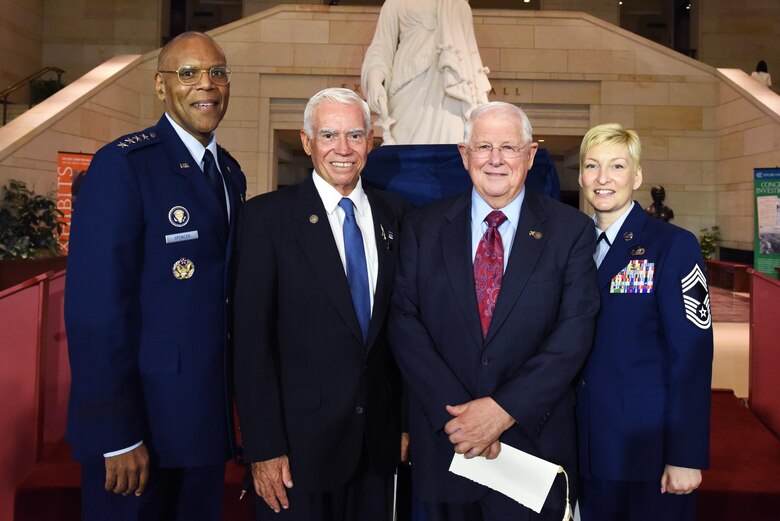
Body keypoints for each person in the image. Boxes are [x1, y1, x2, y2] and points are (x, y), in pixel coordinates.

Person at [64, 31, 246, 520]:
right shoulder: (123, 166)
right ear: (162, 87)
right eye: (188, 74)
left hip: (203, 425)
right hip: (139, 430)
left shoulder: (230, 174)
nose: (205, 85)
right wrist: (116, 433)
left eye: (217, 73)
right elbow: (94, 312)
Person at [389, 101, 600, 520]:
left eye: (509, 146)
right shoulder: (421, 228)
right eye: (483, 146)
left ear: (531, 154)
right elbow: (404, 322)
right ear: (464, 154)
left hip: (530, 449)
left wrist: (500, 412)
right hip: (447, 445)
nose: (496, 159)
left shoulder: (571, 231)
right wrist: (464, 421)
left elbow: (573, 333)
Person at [233, 87, 411, 521]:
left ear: (371, 141)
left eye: (355, 135)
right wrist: (264, 447)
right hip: (296, 452)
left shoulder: (399, 216)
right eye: (329, 135)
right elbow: (251, 345)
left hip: (379, 445)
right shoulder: (266, 219)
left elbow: (406, 330)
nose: (343, 149)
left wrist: (404, 422)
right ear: (307, 141)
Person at [575, 123, 713, 521]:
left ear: (636, 176)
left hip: (647, 453)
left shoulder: (673, 245)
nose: (603, 179)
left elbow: (692, 355)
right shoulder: (572, 244)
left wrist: (685, 454)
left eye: (617, 167)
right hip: (583, 447)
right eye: (592, 166)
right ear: (581, 175)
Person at [361, 0, 491, 144]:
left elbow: (470, 53)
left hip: (451, 87)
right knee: (405, 153)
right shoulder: (396, 2)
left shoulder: (458, 4)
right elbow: (382, 45)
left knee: (453, 148)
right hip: (409, 87)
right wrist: (374, 78)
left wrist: (479, 97)